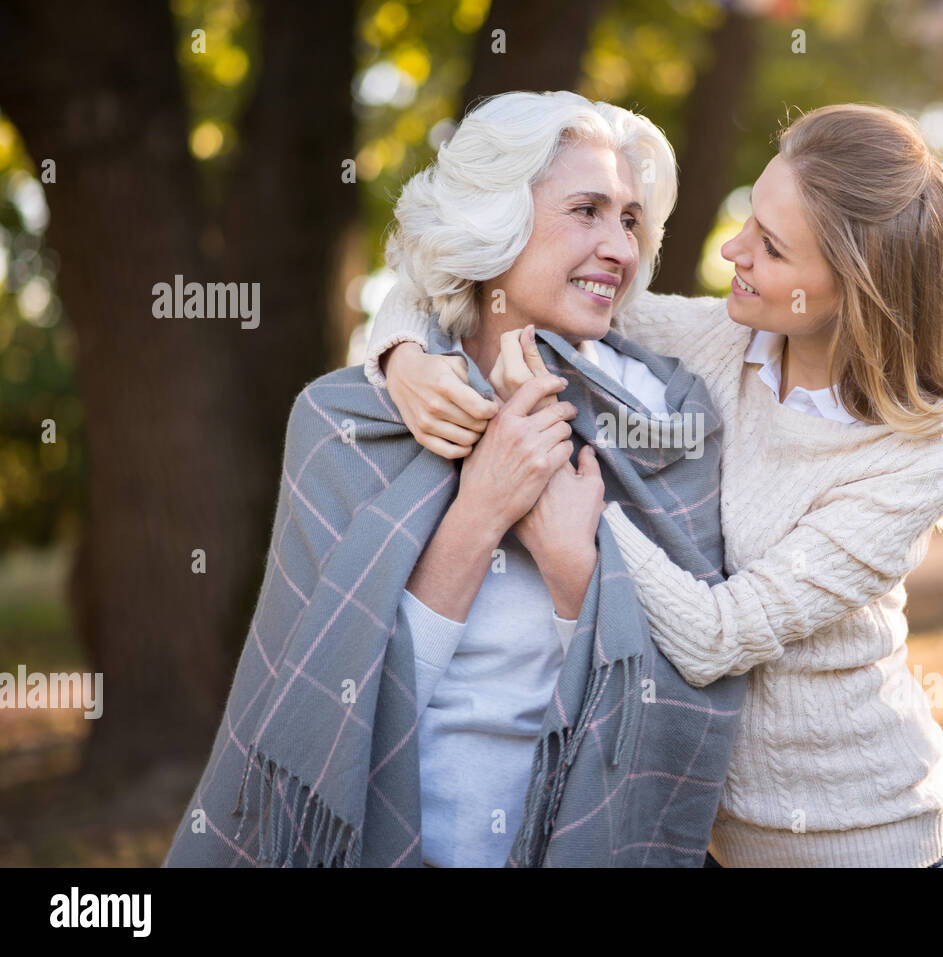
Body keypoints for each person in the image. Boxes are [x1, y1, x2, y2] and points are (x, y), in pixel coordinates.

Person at [366, 102, 943, 867]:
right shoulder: (728, 340)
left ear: (853, 288)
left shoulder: (916, 451)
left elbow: (718, 637)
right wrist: (403, 353)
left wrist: (573, 504)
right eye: (750, 217)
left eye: (772, 248)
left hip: (867, 840)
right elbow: (505, 270)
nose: (734, 250)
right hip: (712, 837)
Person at [165, 89, 746, 869]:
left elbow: (683, 699)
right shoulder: (346, 422)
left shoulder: (669, 424)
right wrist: (483, 509)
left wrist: (577, 571)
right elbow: (329, 693)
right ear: (494, 217)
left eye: (631, 220)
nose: (621, 247)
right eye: (587, 210)